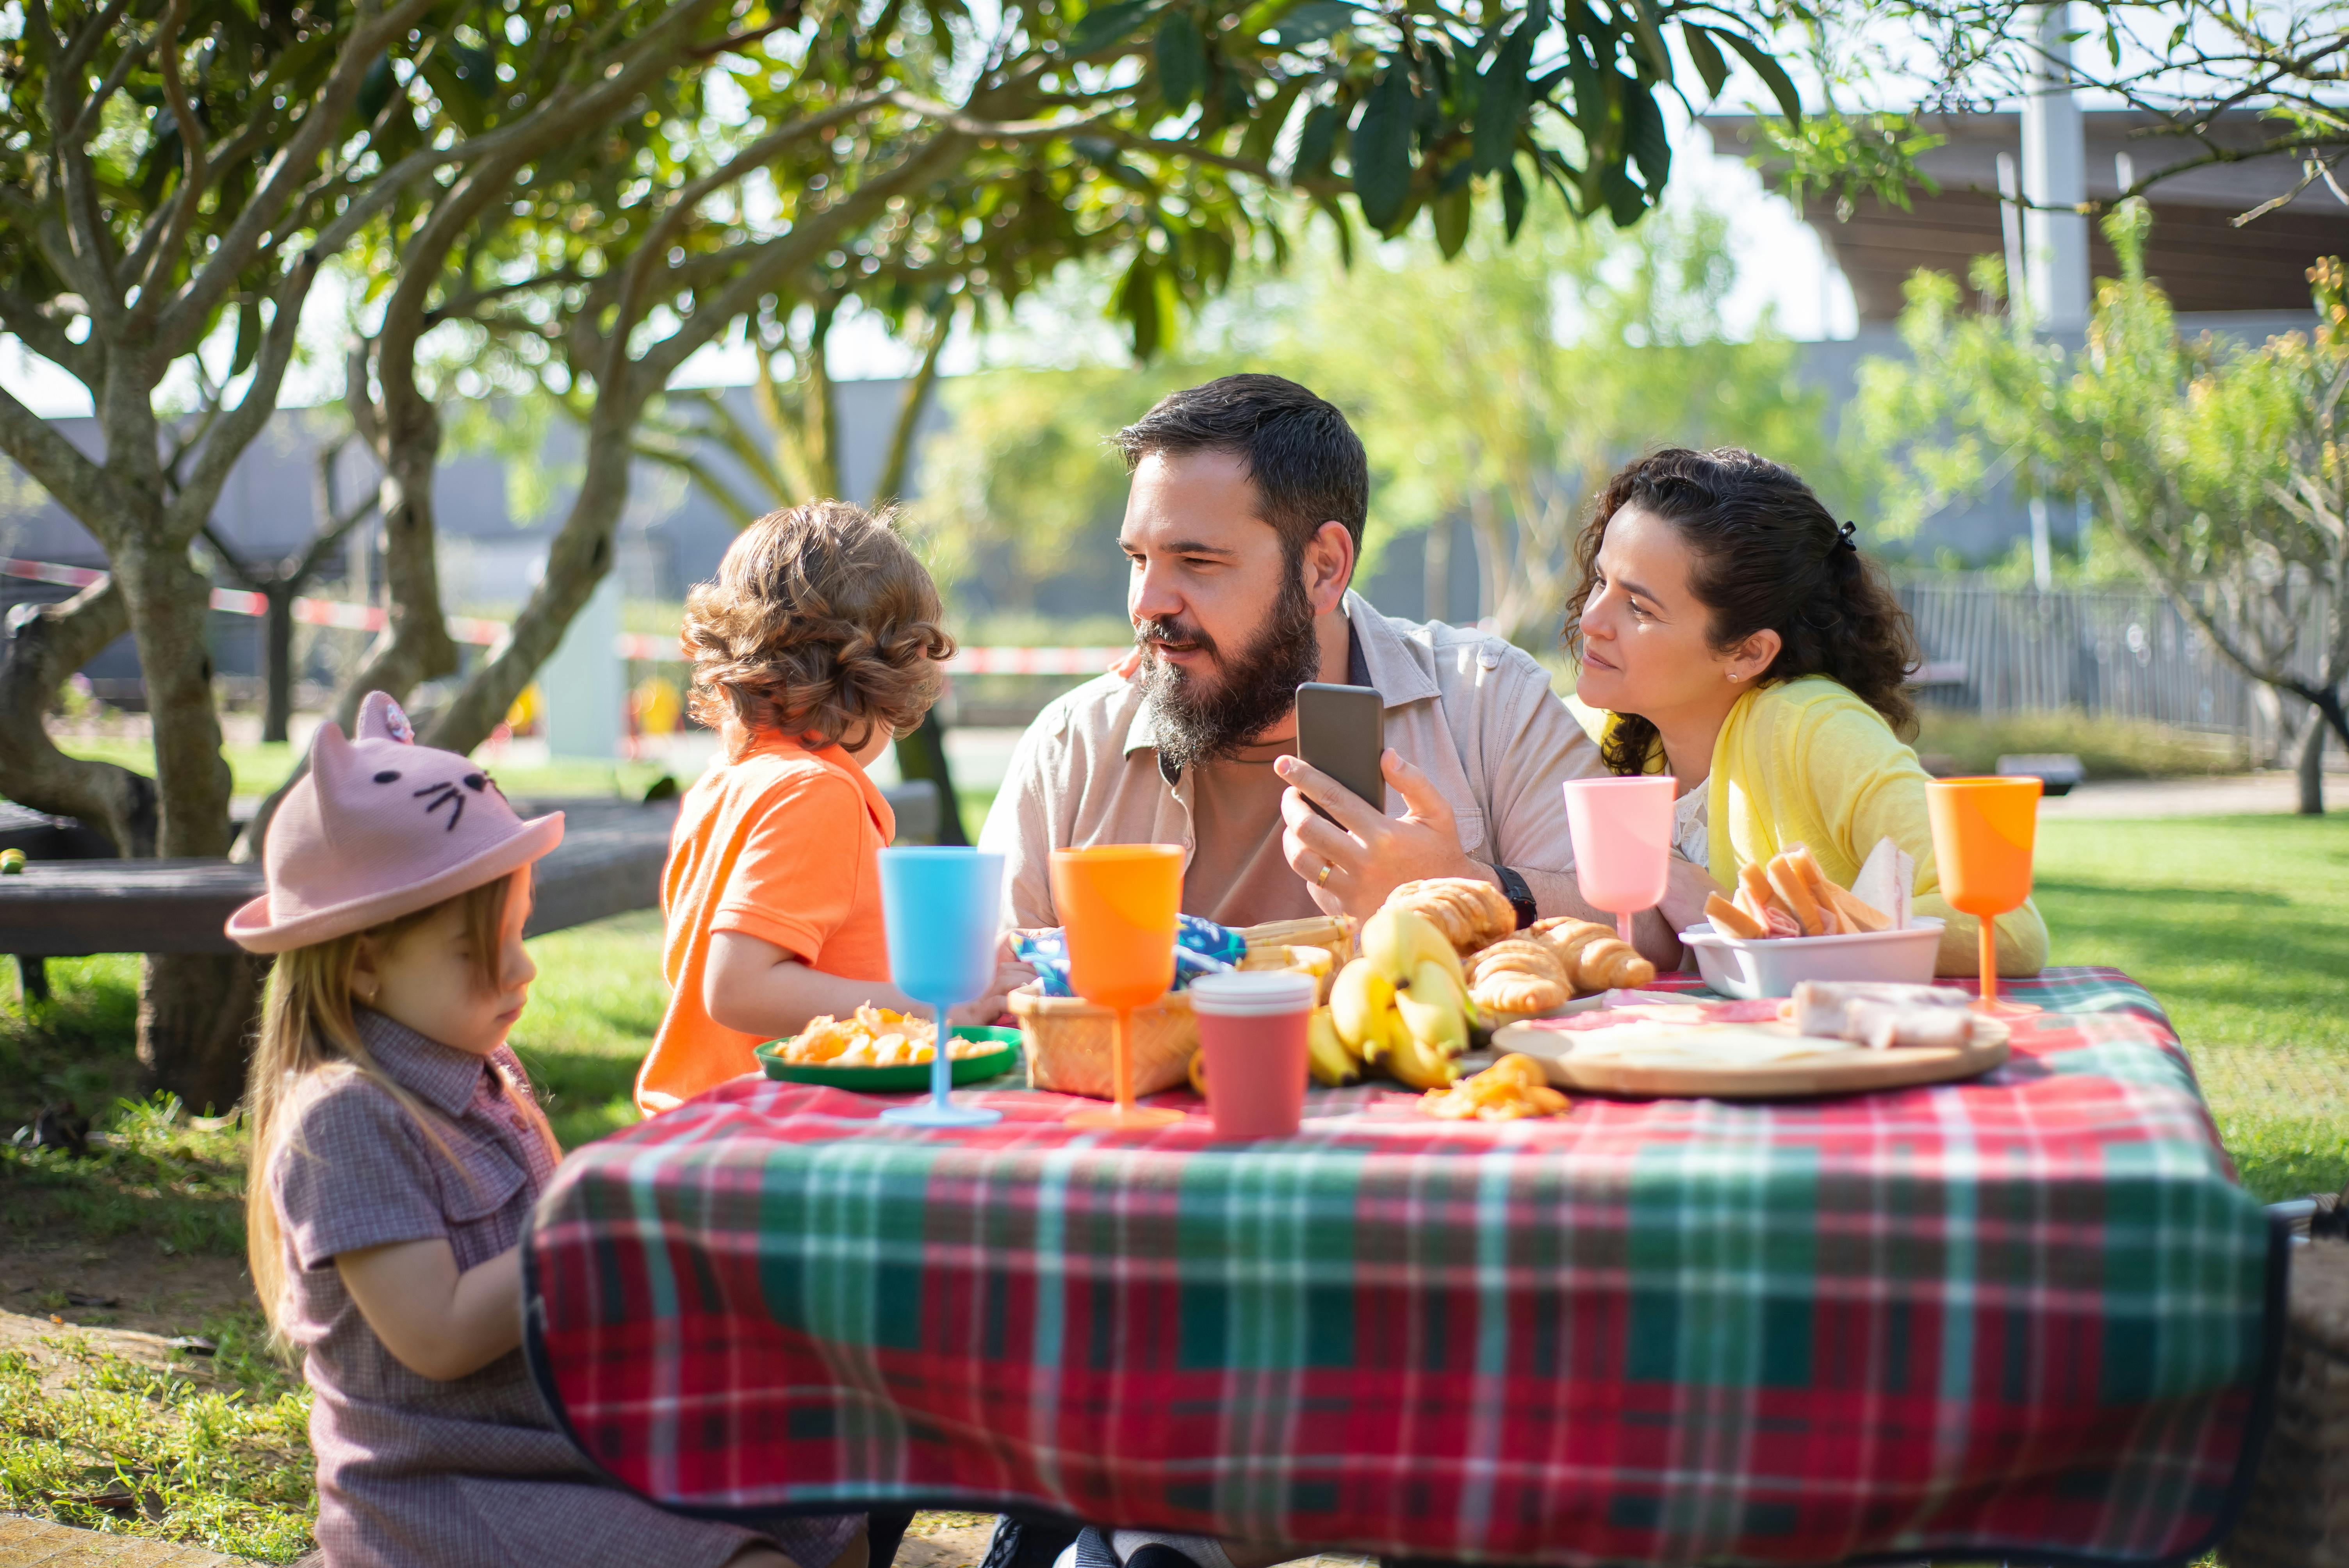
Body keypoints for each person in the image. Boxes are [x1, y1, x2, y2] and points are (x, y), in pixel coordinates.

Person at [231, 692, 867, 1568]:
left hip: (561, 1437)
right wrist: (601, 1212)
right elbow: (441, 1333)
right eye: (479, 950)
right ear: (365, 962)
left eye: (520, 932)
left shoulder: (487, 1070)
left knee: (830, 1503)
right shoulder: (346, 1116)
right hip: (447, 1493)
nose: (522, 968)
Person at [980, 373, 1605, 937]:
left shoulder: (1487, 700)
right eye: (1138, 560)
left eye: (1196, 562)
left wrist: (1472, 891)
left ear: (1324, 568)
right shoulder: (1072, 748)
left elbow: (1642, 921)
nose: (1146, 603)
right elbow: (991, 995)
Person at [1564, 446, 2048, 975]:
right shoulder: (1589, 733)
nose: (1592, 618)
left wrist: (1772, 929)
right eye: (1599, 580)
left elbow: (2006, 927)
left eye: (1639, 607)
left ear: (1748, 652)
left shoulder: (1814, 727)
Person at [635, 501, 1026, 1114]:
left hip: (708, 1115)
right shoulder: (818, 792)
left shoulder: (729, 783)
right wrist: (935, 1005)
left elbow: (816, 951)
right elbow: (738, 988)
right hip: (777, 1128)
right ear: (886, 672)